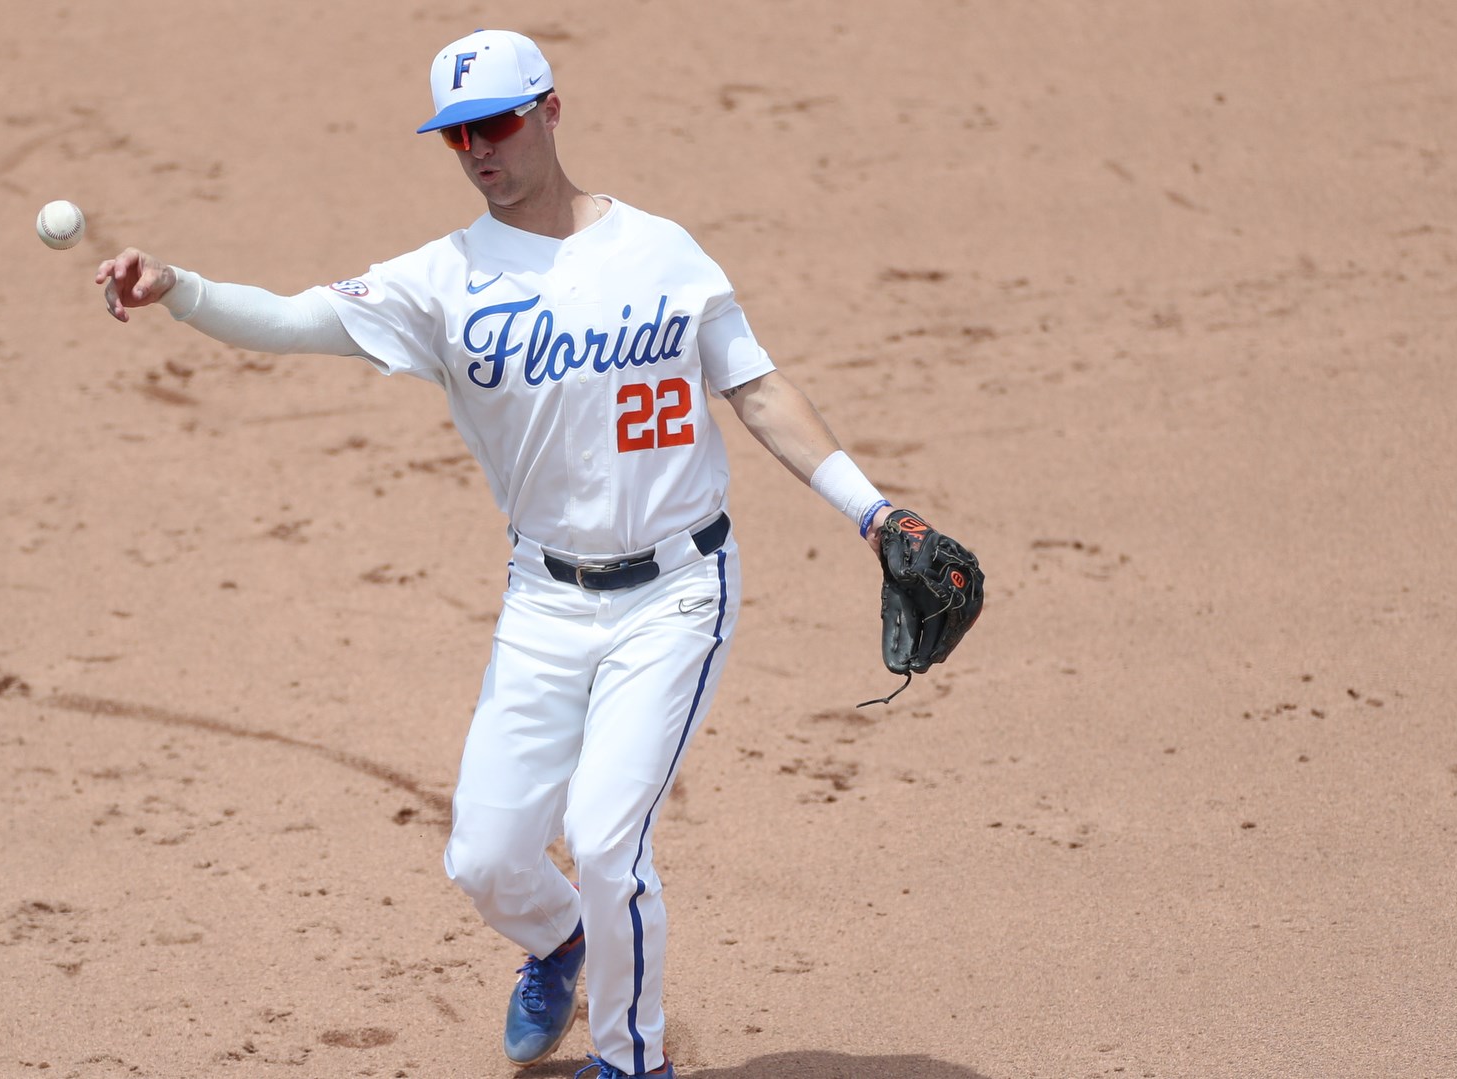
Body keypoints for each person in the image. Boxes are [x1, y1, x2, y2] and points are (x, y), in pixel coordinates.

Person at [94, 29, 917, 1079]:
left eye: (496, 124)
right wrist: (180, 285)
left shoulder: (662, 252)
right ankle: (561, 938)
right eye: (457, 136)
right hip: (545, 600)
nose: (479, 149)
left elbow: (755, 389)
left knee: (608, 837)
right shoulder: (442, 280)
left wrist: (875, 514)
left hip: (676, 593)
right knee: (484, 858)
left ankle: (632, 1060)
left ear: (550, 111)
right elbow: (293, 321)